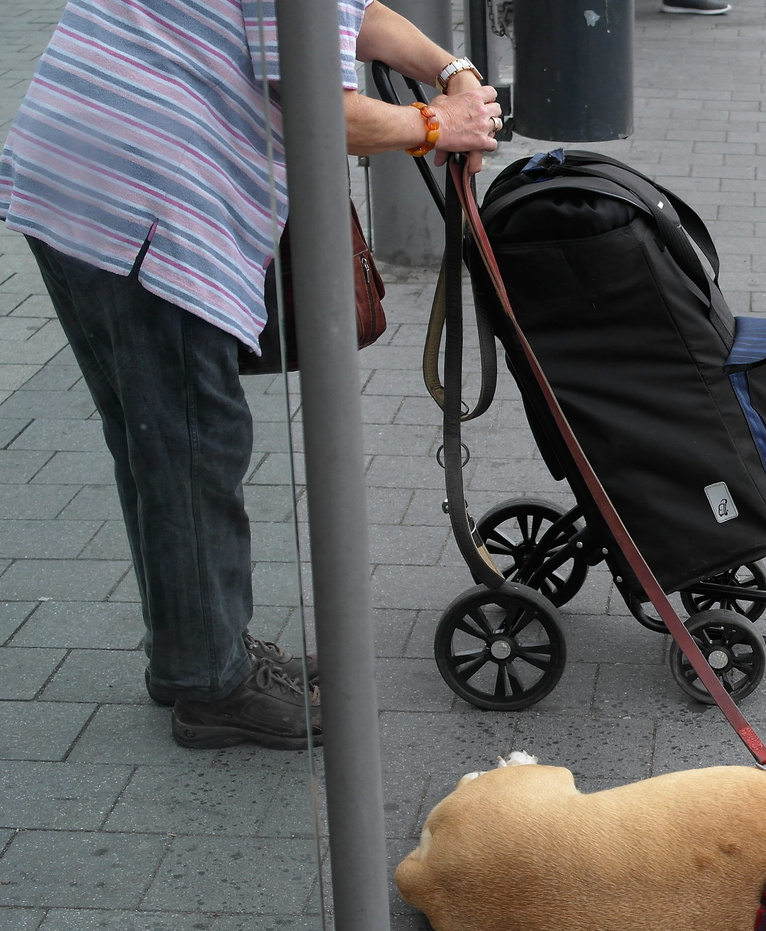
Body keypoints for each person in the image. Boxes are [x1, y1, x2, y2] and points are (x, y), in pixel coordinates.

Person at [0, 0, 501, 750]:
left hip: (73, 167)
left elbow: (347, 12)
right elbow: (319, 113)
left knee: (154, 435)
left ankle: (194, 654)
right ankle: (213, 684)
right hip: (144, 189)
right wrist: (437, 125)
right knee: (194, 441)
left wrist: (449, 68)